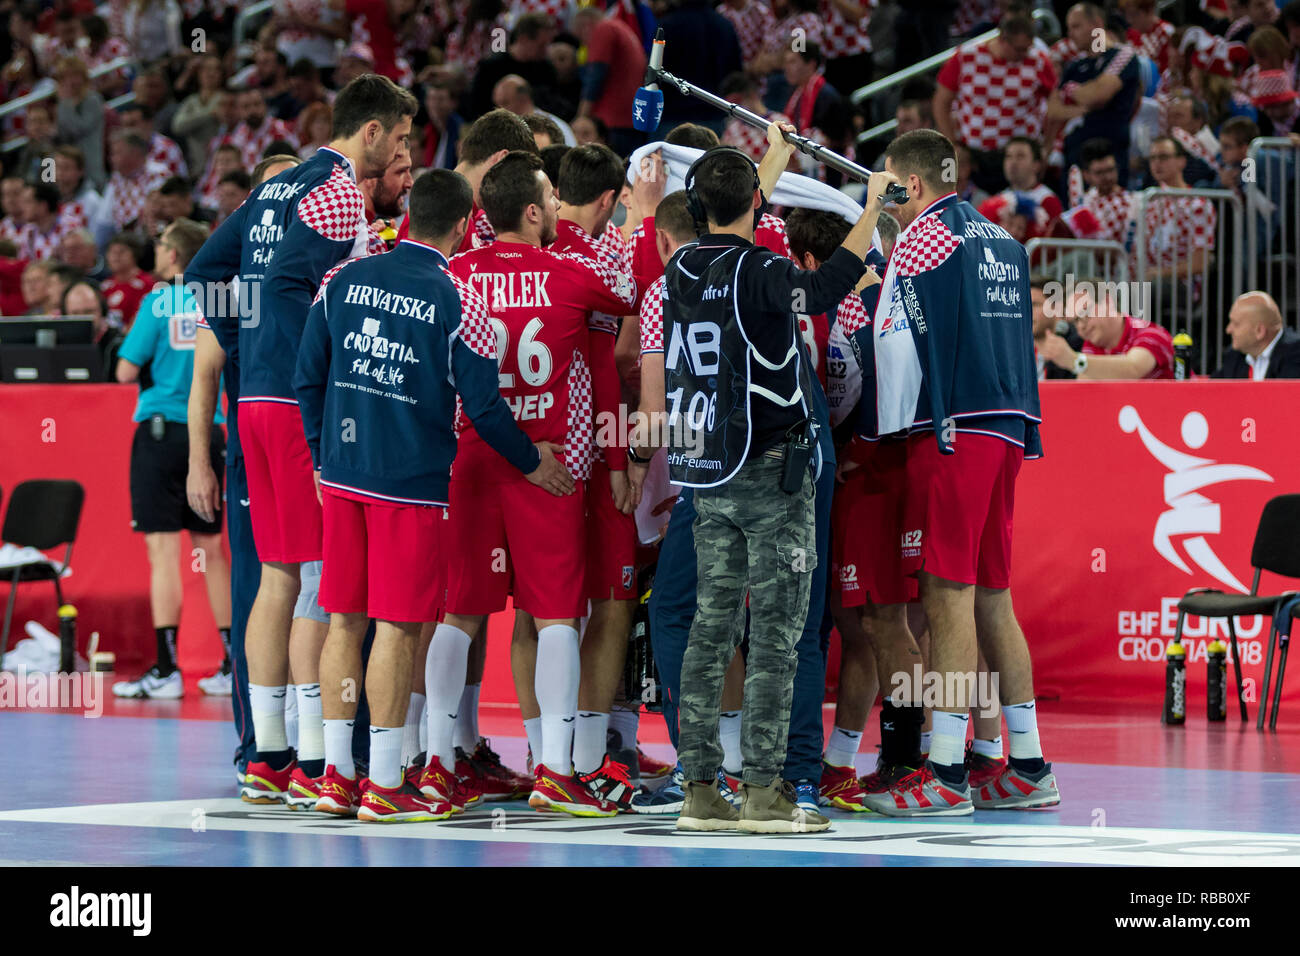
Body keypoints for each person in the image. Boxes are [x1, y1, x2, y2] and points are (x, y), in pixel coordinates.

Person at [626, 127, 885, 833]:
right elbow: (830, 281)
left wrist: (767, 157)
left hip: (707, 470)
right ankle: (769, 789)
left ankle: (702, 787)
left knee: (712, 627)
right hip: (772, 468)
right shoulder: (763, 272)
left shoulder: (678, 270)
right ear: (753, 205)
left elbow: (734, 205)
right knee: (776, 630)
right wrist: (873, 207)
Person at [294, 168, 573, 821]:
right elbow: (484, 405)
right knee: (398, 626)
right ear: (461, 224)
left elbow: (307, 377)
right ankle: (386, 781)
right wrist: (533, 463)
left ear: (408, 214)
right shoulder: (459, 300)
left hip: (340, 476)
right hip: (411, 488)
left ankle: (338, 775)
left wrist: (318, 454)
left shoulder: (341, 279)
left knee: (344, 619)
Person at [184, 74, 417, 804]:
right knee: (318, 577)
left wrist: (245, 345)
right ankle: (320, 764)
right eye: (403, 137)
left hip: (255, 396)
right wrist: (308, 357)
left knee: (281, 575)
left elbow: (205, 269)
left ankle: (271, 755)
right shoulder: (340, 186)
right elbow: (291, 282)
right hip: (297, 402)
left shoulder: (271, 190)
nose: (406, 151)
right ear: (371, 131)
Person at [859, 129, 1058, 816]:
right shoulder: (1003, 240)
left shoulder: (919, 241)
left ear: (910, 187)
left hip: (952, 432)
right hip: (1005, 428)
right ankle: (1027, 764)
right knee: (991, 596)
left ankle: (942, 773)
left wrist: (882, 432)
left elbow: (894, 341)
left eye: (891, 185)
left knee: (945, 598)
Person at [434, 149, 638, 818]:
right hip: (545, 465)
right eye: (550, 200)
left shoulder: (454, 274)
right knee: (555, 615)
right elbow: (635, 299)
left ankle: (437, 763)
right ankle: (556, 769)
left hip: (470, 458)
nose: (558, 210)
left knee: (458, 613)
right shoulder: (572, 274)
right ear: (529, 210)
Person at [187, 154, 303, 779]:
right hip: (252, 454)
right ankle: (256, 743)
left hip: (296, 442)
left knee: (305, 590)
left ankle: (310, 746)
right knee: (259, 587)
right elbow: (203, 380)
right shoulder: (238, 288)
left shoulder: (306, 269)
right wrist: (198, 462)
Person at [111, 219, 232, 700]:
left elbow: (123, 371)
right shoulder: (223, 298)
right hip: (212, 434)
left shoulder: (158, 301)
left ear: (176, 256)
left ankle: (166, 669)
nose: (156, 253)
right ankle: (228, 665)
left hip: (162, 435)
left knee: (163, 553)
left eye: (161, 247)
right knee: (212, 551)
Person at [1213, 291, 1300, 379]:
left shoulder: (1296, 354)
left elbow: (1286, 392)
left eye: (1236, 324)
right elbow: (1212, 389)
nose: (1228, 330)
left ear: (1259, 331)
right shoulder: (1235, 355)